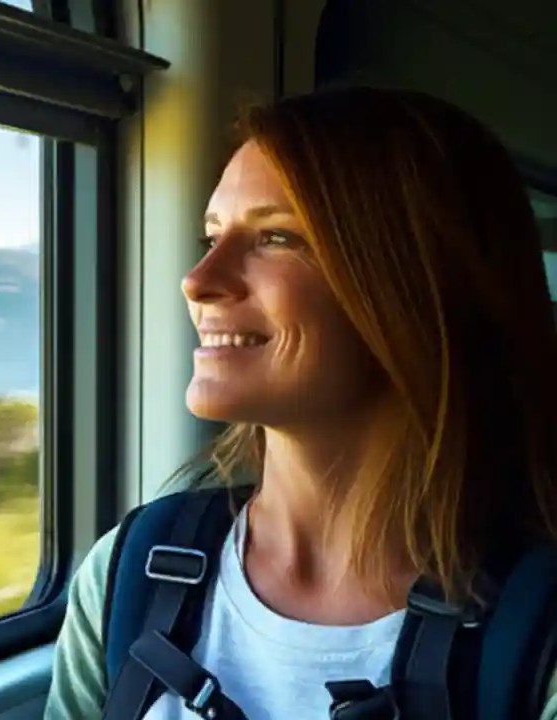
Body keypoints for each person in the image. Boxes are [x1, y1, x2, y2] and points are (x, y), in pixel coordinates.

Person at [44, 86, 557, 719]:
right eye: (211, 237)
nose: (197, 281)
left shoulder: (537, 633)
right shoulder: (128, 573)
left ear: (417, 284)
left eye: (276, 237)